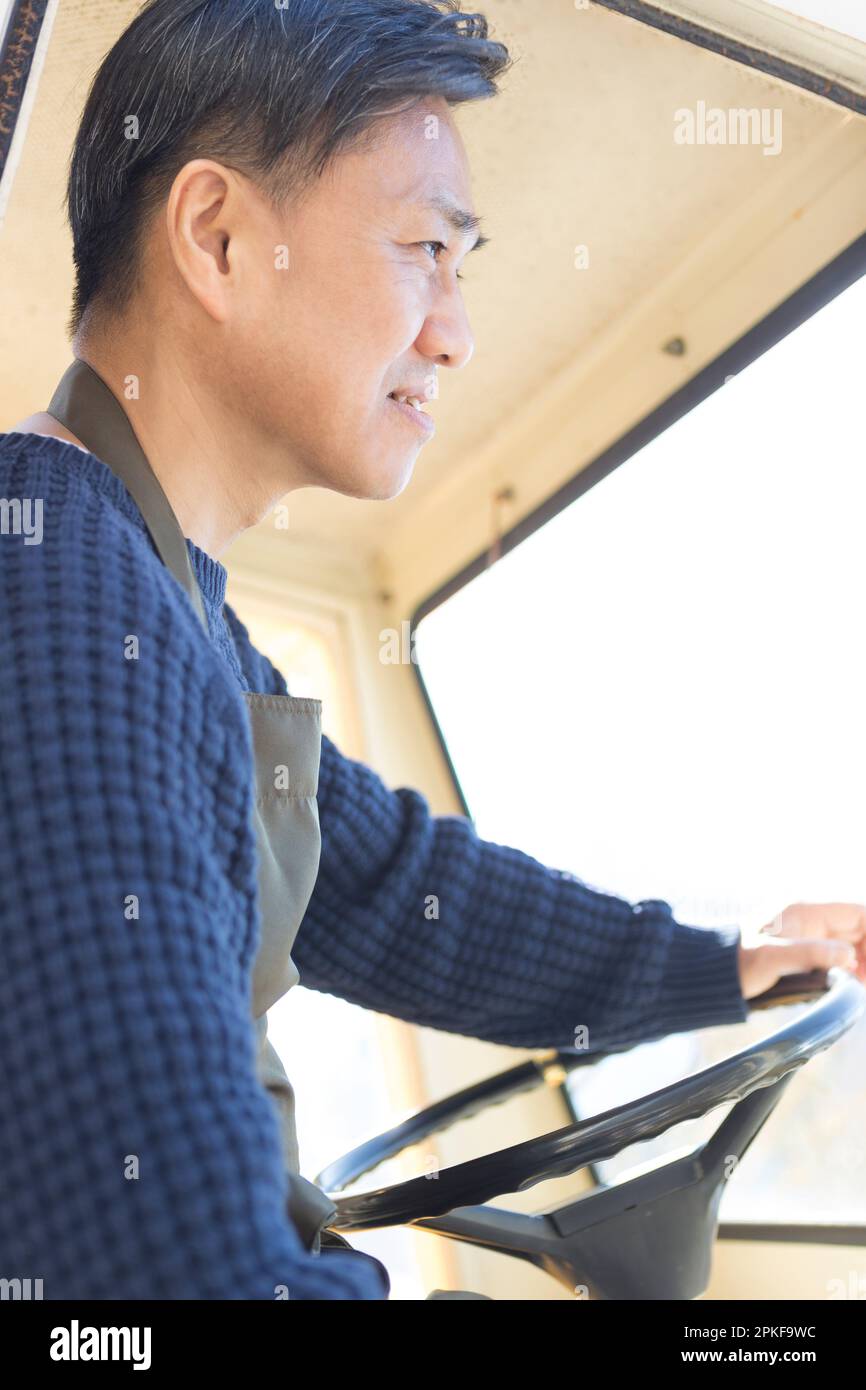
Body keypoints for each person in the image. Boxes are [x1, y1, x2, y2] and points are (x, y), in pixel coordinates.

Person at [0, 0, 863, 1302]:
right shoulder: (50, 579)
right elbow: (163, 1272)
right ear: (219, 239)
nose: (455, 332)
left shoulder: (174, 610)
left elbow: (412, 898)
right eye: (425, 250)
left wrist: (723, 964)